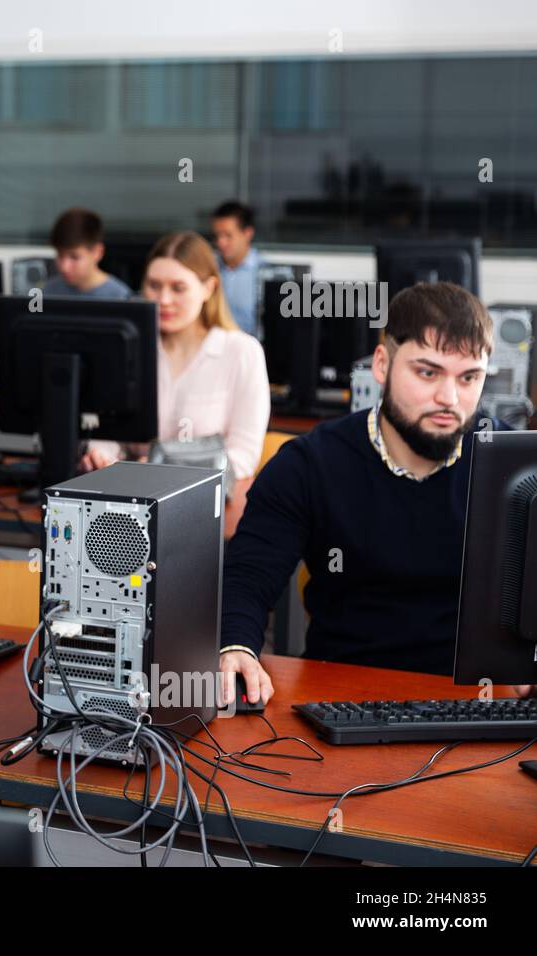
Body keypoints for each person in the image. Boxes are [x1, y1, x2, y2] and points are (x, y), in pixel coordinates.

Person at [219, 282, 533, 704]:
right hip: (341, 696)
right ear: (382, 365)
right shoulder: (311, 463)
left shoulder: (516, 468)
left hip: (475, 701)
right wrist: (235, 646)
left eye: (469, 377)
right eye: (428, 372)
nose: (449, 398)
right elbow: (248, 577)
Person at [79, 232, 270, 527]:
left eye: (178, 288)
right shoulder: (131, 349)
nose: (164, 299)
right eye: (154, 286)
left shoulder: (241, 352)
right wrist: (100, 456)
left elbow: (242, 457)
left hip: (203, 514)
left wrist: (159, 471)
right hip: (129, 509)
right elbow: (112, 434)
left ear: (209, 288)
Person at [41, 208, 132, 299]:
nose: (65, 267)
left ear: (98, 252)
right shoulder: (47, 292)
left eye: (74, 257)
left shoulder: (120, 297)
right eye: (60, 255)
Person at [211, 200, 262, 337]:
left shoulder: (265, 273)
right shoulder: (208, 269)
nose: (220, 242)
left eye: (228, 235)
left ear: (248, 233)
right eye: (217, 236)